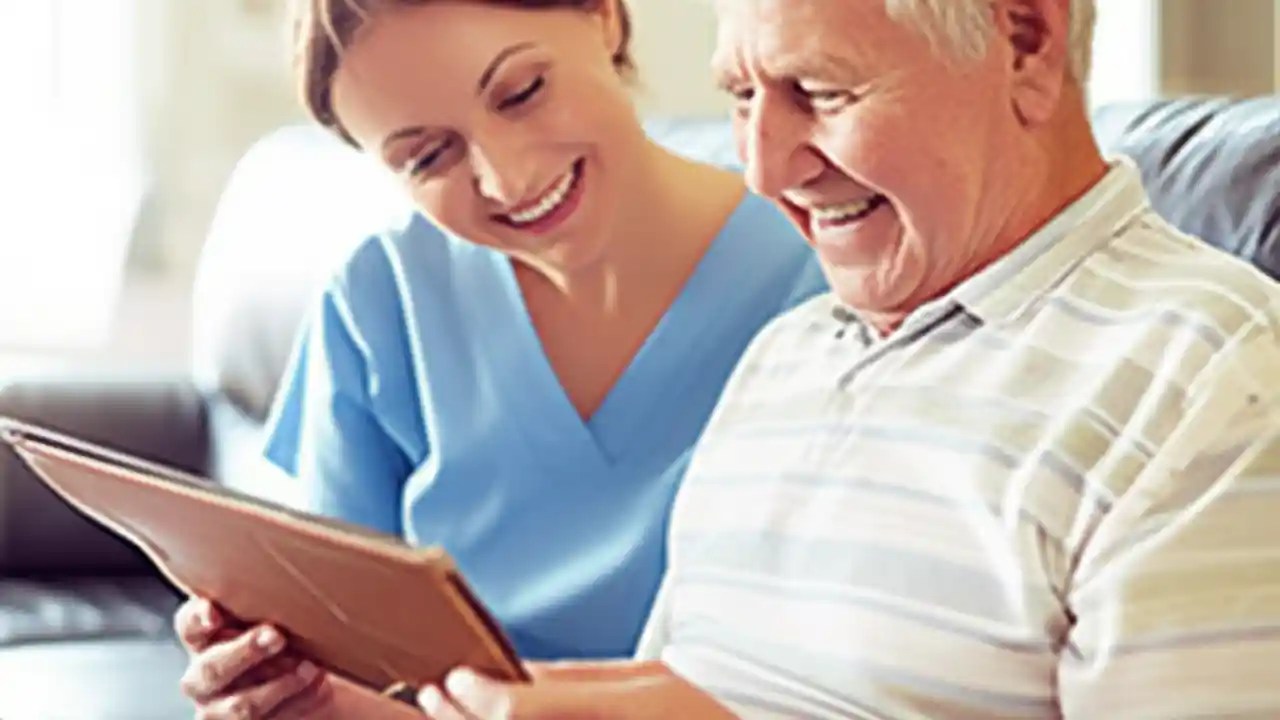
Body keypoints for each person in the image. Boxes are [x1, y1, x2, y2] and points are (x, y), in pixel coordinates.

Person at [401, 0, 1280, 717]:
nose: (761, 168)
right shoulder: (787, 355)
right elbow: (686, 688)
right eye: (741, 98)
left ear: (1024, 42)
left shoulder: (1212, 379)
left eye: (818, 91)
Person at [172, 0, 826, 717]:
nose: (506, 179)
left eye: (521, 93)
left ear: (603, 16)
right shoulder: (381, 302)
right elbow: (363, 674)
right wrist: (291, 690)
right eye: (426, 158)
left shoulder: (830, 261)